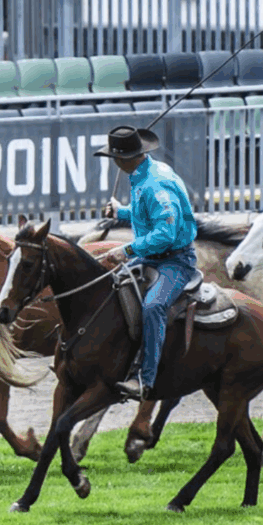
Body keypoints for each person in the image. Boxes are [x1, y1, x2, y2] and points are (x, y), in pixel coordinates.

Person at [94, 125, 198, 402]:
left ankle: (145, 378)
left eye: (114, 157)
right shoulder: (144, 175)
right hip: (152, 255)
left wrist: (127, 249)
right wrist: (122, 212)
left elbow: (165, 234)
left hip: (175, 261)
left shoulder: (155, 183)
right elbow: (148, 214)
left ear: (122, 159)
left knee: (153, 306)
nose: (113, 162)